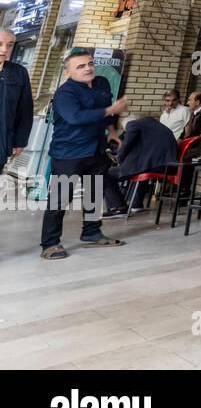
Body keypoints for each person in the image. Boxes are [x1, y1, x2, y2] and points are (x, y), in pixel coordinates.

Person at [41, 50, 130, 258]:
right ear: (67, 72)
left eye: (90, 64)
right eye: (80, 66)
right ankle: (50, 243)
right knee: (59, 200)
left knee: (94, 193)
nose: (88, 68)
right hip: (68, 153)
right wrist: (110, 110)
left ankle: (91, 232)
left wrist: (111, 130)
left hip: (96, 150)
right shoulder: (65, 93)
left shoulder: (102, 83)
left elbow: (106, 108)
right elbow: (75, 117)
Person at [107, 115, 179, 208]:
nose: (126, 132)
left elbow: (126, 145)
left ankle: (117, 207)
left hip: (155, 165)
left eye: (125, 131)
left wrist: (119, 158)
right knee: (141, 167)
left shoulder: (132, 124)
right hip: (169, 166)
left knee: (104, 174)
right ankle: (136, 204)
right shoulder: (157, 126)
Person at [0, 28, 33, 170]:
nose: (4, 49)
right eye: (0, 44)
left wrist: (20, 141)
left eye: (10, 45)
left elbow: (25, 110)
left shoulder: (19, 73)